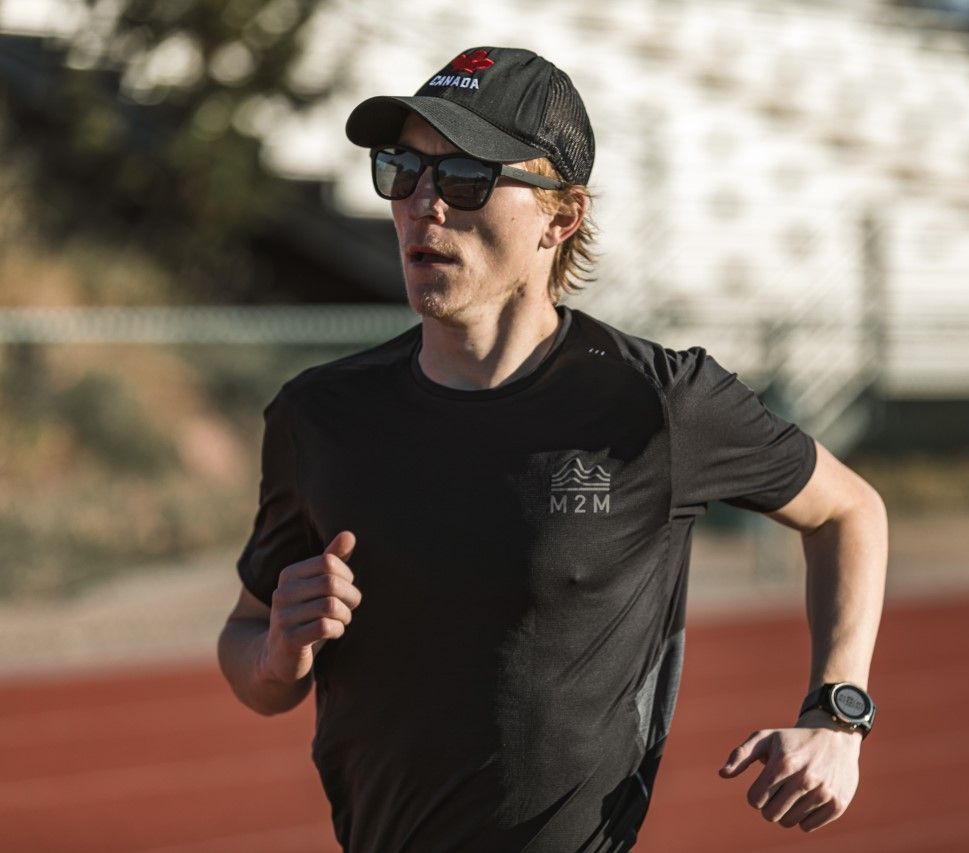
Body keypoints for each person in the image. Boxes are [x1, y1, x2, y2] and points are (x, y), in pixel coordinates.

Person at [217, 45, 888, 853]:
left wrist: (837, 712)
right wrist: (281, 650)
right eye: (402, 170)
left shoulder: (656, 401)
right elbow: (249, 651)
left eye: (464, 178)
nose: (423, 204)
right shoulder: (318, 414)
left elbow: (851, 509)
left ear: (560, 217)